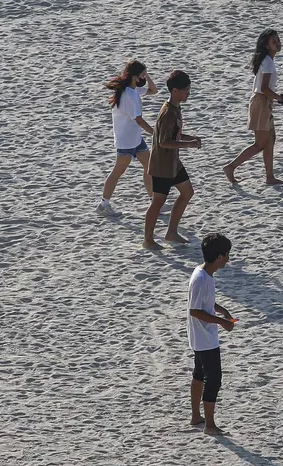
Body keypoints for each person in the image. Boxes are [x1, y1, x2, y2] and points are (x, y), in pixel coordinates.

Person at [143, 70, 202, 250]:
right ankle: (148, 240)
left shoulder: (176, 107)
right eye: (185, 90)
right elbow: (163, 142)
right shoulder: (168, 112)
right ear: (174, 91)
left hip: (173, 164)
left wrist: (188, 137)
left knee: (187, 192)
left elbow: (172, 135)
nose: (188, 93)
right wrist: (188, 144)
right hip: (162, 165)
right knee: (157, 202)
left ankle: (171, 232)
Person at [224, 29, 283, 185]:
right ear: (266, 46)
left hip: (264, 103)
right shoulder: (267, 62)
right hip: (261, 103)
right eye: (274, 42)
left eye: (278, 40)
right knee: (260, 143)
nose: (278, 43)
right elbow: (264, 88)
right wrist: (278, 98)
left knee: (270, 139)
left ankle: (270, 177)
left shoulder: (268, 61)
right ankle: (231, 167)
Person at [97, 61, 158, 218]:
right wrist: (153, 133)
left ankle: (154, 200)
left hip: (135, 139)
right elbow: (138, 119)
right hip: (126, 142)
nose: (144, 77)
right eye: (142, 75)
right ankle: (103, 205)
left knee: (149, 166)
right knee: (117, 172)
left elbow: (153, 90)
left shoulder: (133, 90)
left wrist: (146, 74)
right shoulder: (129, 95)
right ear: (134, 77)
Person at [188, 233, 234, 436]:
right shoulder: (201, 279)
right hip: (205, 338)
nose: (228, 259)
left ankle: (196, 416)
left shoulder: (203, 273)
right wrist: (222, 322)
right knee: (213, 379)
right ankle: (210, 425)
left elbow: (205, 303)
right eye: (227, 255)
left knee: (199, 374)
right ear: (219, 258)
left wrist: (221, 309)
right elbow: (195, 310)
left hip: (200, 336)